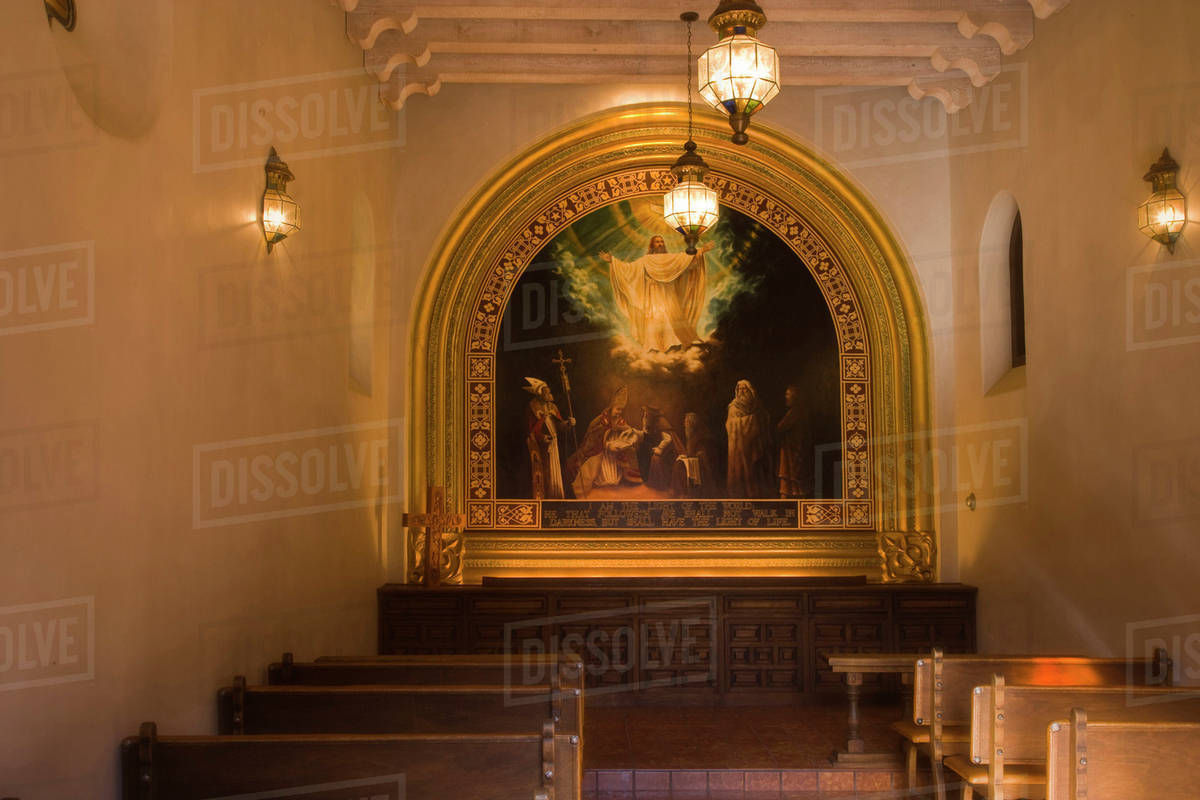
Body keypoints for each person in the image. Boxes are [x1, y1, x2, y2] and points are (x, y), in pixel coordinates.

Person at [599, 235, 713, 352]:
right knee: (653, 320)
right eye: (657, 242)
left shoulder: (671, 258)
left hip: (668, 294)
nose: (660, 244)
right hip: (652, 295)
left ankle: (673, 343)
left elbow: (687, 259)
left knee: (671, 318)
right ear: (652, 245)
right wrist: (613, 261)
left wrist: (703, 250)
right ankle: (653, 346)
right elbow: (629, 269)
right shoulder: (646, 260)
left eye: (661, 241)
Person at [565, 386, 646, 498]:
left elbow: (627, 430)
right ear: (611, 408)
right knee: (594, 467)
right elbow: (593, 433)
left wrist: (626, 437)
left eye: (621, 410)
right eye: (617, 409)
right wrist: (606, 439)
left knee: (622, 460)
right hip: (599, 449)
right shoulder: (601, 419)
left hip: (613, 451)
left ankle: (616, 481)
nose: (619, 412)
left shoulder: (620, 419)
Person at [523, 377, 574, 499]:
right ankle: (546, 497)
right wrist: (541, 437)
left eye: (549, 392)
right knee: (545, 472)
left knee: (555, 471)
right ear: (541, 393)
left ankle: (556, 495)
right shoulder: (532, 407)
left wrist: (568, 423)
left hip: (554, 443)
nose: (550, 394)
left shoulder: (553, 407)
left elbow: (559, 425)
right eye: (547, 392)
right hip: (541, 446)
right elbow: (530, 429)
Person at [725, 379, 772, 498]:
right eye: (739, 389)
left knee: (756, 470)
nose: (742, 391)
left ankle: (757, 493)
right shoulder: (734, 407)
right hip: (739, 447)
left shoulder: (757, 406)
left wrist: (758, 419)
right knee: (742, 469)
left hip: (755, 445)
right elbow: (731, 425)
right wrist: (753, 420)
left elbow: (765, 419)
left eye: (744, 388)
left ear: (750, 390)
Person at [671, 412, 719, 497]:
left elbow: (703, 454)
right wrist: (687, 457)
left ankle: (687, 493)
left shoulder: (702, 436)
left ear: (692, 424)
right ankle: (682, 492)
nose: (684, 425)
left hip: (703, 467)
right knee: (678, 464)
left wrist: (690, 457)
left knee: (680, 466)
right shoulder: (691, 436)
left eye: (686, 422)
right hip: (695, 462)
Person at [776, 384, 812, 499]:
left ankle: (790, 499)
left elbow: (780, 427)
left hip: (793, 450)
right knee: (794, 476)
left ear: (795, 397)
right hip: (794, 449)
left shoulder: (795, 412)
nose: (786, 397)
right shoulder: (799, 411)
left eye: (788, 394)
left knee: (792, 475)